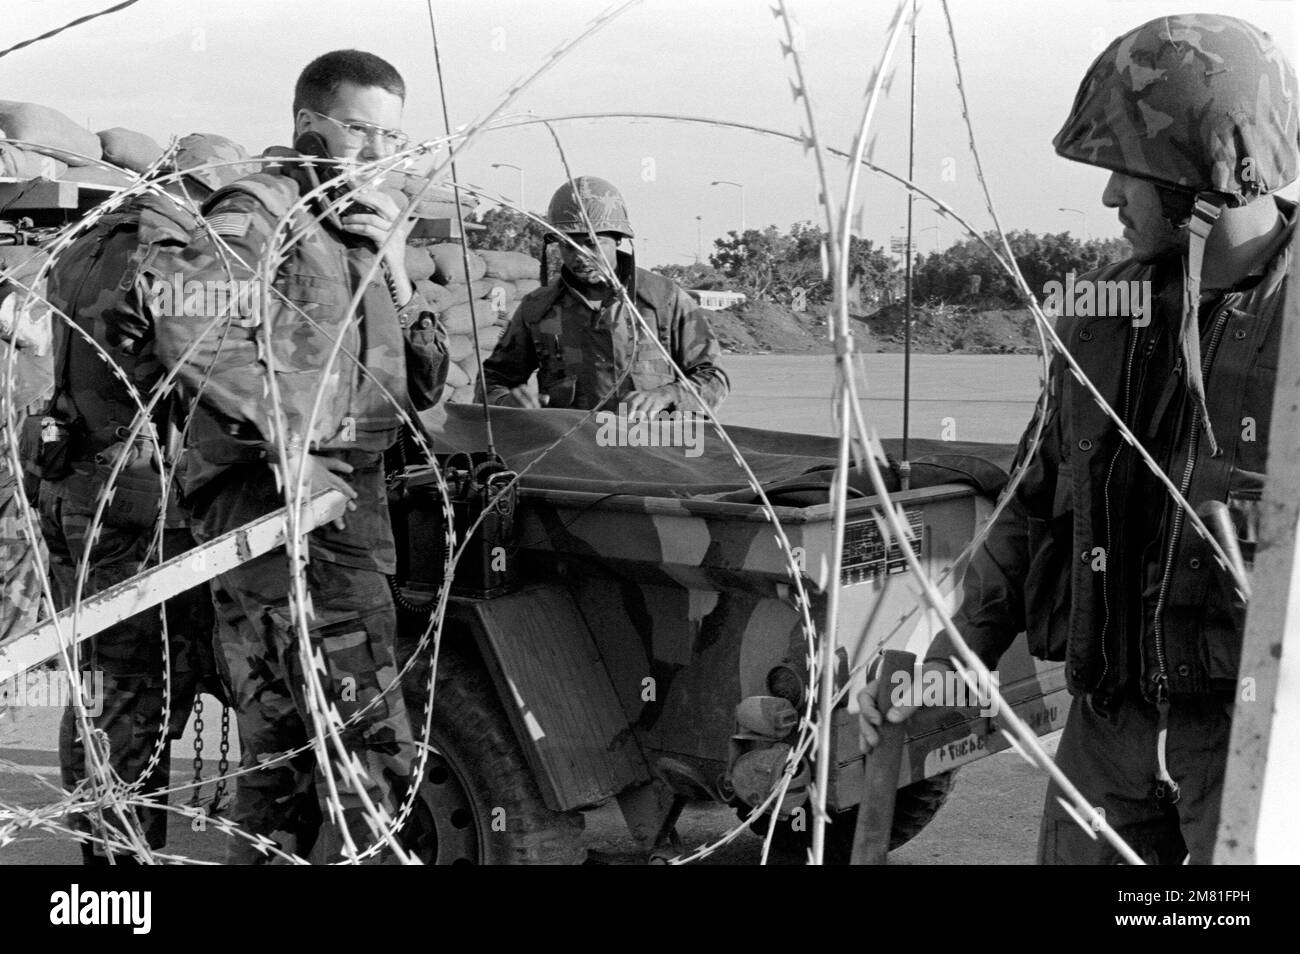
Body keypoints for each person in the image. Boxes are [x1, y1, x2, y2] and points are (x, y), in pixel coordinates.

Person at [860, 14, 1297, 865]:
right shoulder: (1102, 315)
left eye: (1124, 171)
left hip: (1257, 753)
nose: (1106, 199)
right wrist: (931, 648)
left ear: (1203, 170)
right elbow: (1026, 515)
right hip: (1107, 750)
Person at [153, 50, 449, 863]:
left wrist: (395, 273)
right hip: (285, 511)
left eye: (394, 135)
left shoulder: (360, 225)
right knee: (363, 749)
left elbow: (424, 386)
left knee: (285, 756)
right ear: (308, 125)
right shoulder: (262, 209)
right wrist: (290, 443)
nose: (379, 151)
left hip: (349, 504)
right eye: (360, 130)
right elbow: (188, 325)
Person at [35, 134, 253, 864]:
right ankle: (121, 876)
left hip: (76, 490)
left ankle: (105, 856)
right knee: (138, 687)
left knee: (102, 681)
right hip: (138, 504)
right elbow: (220, 386)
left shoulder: (85, 243)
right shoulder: (167, 258)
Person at [480, 176, 729, 416]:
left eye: (592, 243)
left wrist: (668, 395)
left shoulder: (663, 299)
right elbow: (492, 381)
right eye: (568, 245)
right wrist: (507, 401)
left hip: (653, 446)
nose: (580, 255)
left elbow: (713, 379)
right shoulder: (538, 308)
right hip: (573, 451)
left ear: (617, 239)